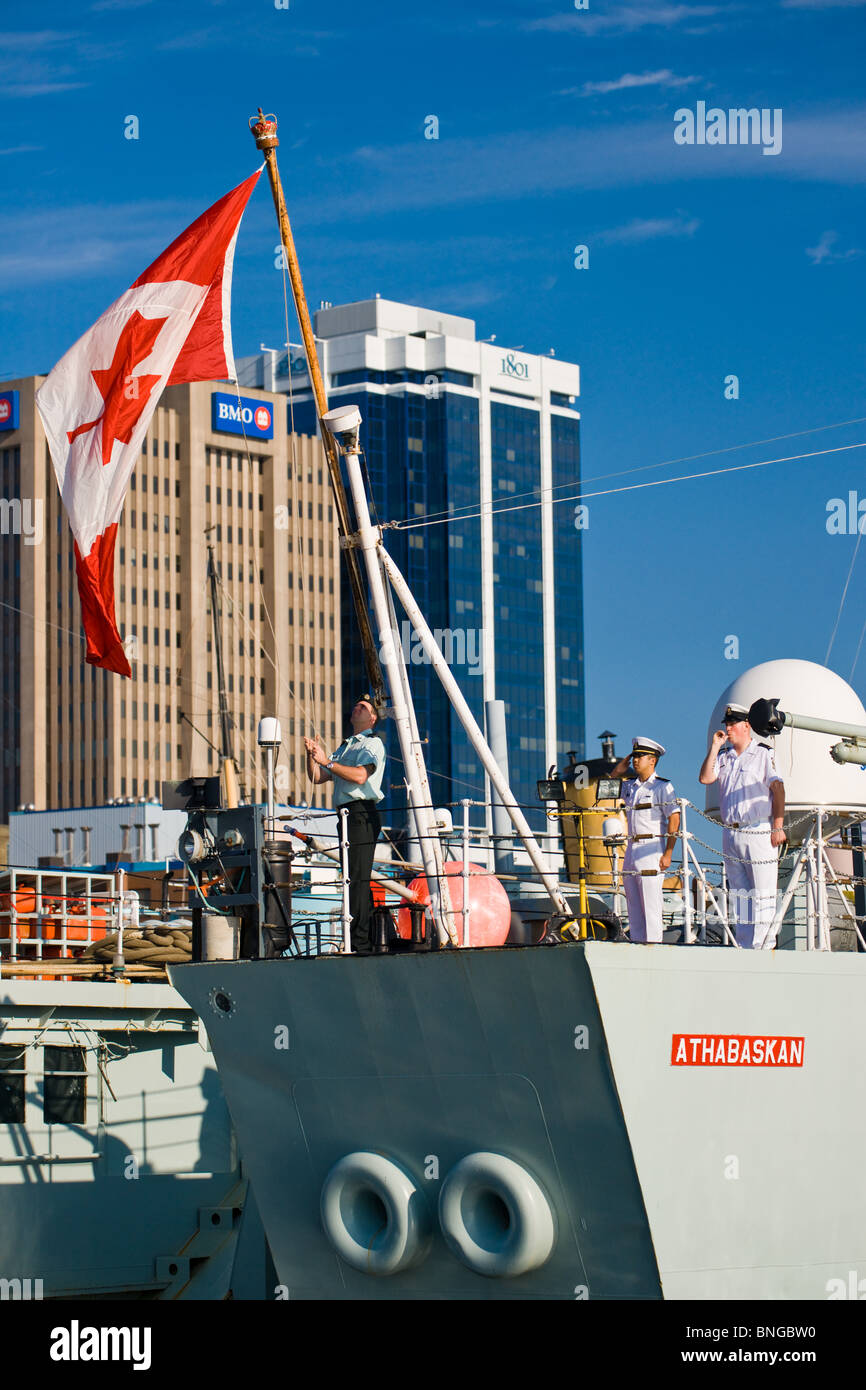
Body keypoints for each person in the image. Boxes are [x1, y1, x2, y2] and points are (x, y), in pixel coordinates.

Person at [699, 703, 786, 949]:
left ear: (746, 726)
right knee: (741, 895)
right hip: (732, 831)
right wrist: (715, 746)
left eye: (732, 724)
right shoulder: (724, 756)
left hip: (758, 829)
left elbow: (778, 789)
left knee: (763, 893)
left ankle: (764, 946)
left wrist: (777, 825)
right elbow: (706, 778)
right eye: (726, 725)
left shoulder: (762, 753)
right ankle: (747, 945)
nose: (728, 729)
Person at [304, 695, 386, 955]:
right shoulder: (346, 746)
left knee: (358, 879)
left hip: (362, 814)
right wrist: (313, 757)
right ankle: (359, 938)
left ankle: (361, 942)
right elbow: (318, 777)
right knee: (352, 879)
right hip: (347, 816)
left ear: (372, 718)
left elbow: (361, 776)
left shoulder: (372, 744)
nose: (357, 707)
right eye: (356, 704)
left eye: (363, 707)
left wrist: (325, 760)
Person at [610, 737, 680, 943]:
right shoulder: (630, 786)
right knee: (633, 904)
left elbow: (674, 818)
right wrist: (623, 763)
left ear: (652, 760)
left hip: (651, 848)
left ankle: (653, 945)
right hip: (631, 848)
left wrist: (668, 853)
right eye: (634, 756)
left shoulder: (661, 787)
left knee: (651, 905)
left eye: (640, 756)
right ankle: (638, 944)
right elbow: (611, 782)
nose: (635, 760)